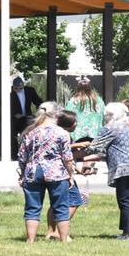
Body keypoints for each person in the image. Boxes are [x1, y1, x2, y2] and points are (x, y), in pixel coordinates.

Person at [86, 102, 129, 241]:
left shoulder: (111, 128)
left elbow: (94, 147)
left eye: (105, 114)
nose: (104, 117)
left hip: (127, 167)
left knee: (126, 199)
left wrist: (78, 149)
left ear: (111, 115)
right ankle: (126, 231)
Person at [18, 101, 75, 243]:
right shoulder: (62, 132)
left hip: (33, 171)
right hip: (56, 171)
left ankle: (30, 240)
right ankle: (63, 239)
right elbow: (67, 157)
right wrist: (70, 175)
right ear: (57, 115)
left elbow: (22, 156)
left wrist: (22, 173)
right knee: (61, 207)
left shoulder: (30, 131)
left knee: (32, 207)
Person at [50, 110, 86, 237]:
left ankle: (50, 231)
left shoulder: (52, 131)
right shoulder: (64, 134)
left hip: (51, 171)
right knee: (75, 200)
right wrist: (79, 146)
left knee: (54, 203)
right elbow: (65, 153)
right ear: (70, 123)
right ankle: (58, 231)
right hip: (62, 172)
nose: (76, 124)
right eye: (75, 121)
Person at [65, 76, 105, 174]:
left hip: (78, 130)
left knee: (78, 150)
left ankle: (80, 167)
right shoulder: (98, 100)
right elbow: (103, 113)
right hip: (94, 130)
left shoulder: (74, 100)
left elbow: (68, 114)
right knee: (91, 149)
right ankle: (87, 166)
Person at [8, 76, 42, 158]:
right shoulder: (10, 93)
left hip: (26, 117)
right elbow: (7, 106)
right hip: (14, 118)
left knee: (29, 135)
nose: (18, 90)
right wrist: (14, 114)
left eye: (20, 88)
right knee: (12, 136)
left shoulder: (29, 91)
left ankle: (28, 153)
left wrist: (41, 111)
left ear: (23, 85)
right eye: (16, 88)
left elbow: (37, 101)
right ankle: (14, 155)